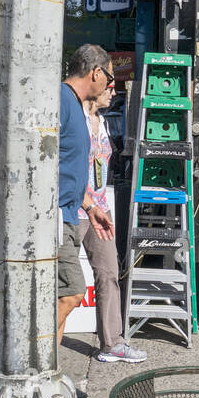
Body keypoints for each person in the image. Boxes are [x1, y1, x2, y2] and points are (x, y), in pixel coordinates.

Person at [56, 45, 118, 398]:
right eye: (108, 77)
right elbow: (43, 156)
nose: (109, 85)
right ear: (95, 72)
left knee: (65, 292)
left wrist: (88, 205)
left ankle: (48, 371)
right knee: (71, 292)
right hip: (57, 217)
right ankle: (36, 368)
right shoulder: (64, 101)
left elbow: (66, 167)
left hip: (71, 209)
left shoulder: (74, 108)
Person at [83, 81, 146, 364]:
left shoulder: (103, 122)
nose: (112, 92)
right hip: (74, 208)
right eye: (108, 86)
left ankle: (112, 343)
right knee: (61, 281)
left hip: (101, 209)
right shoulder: (76, 120)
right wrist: (87, 203)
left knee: (109, 272)